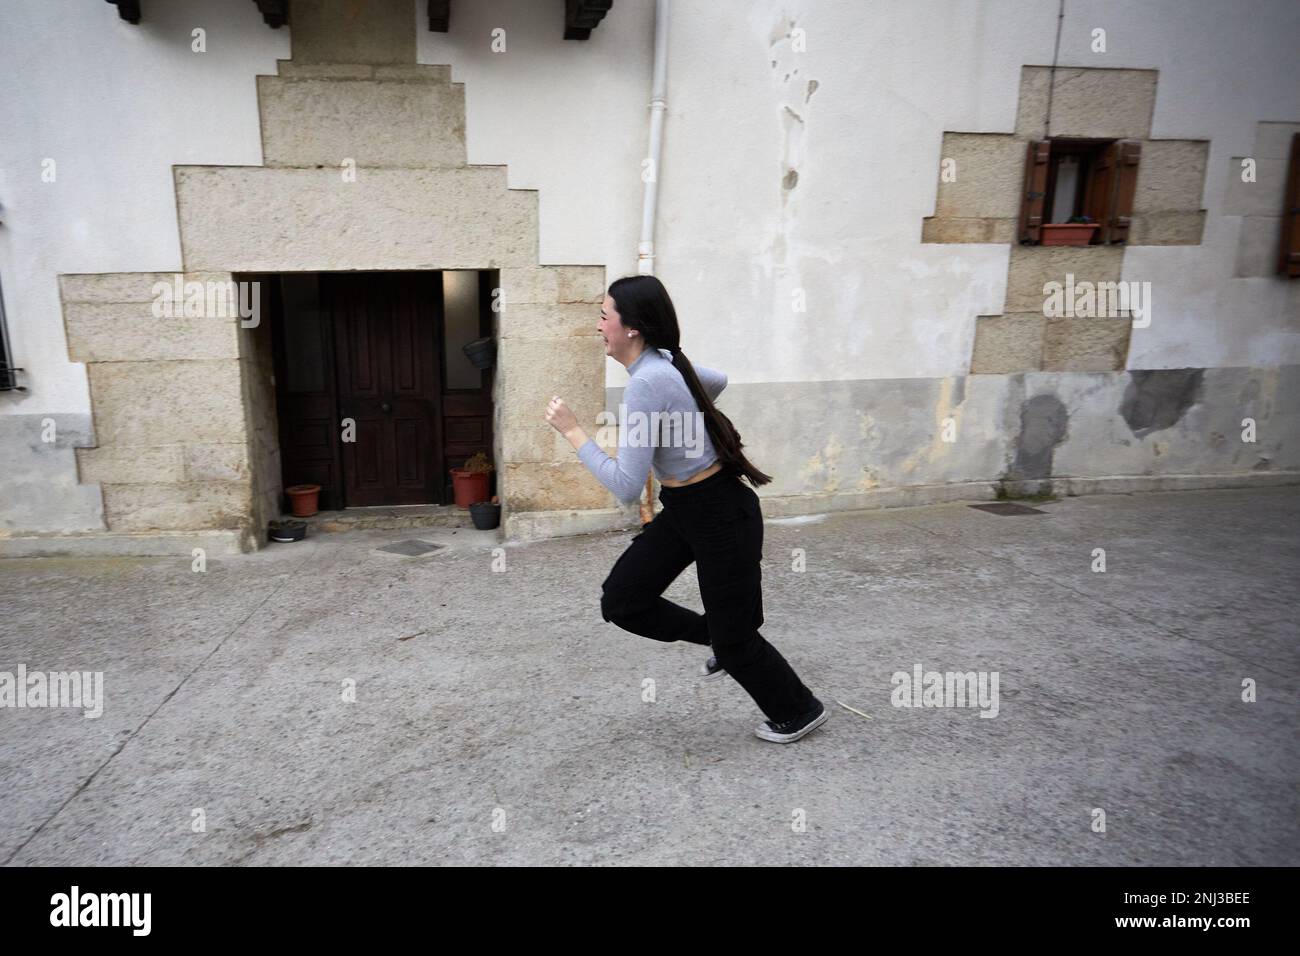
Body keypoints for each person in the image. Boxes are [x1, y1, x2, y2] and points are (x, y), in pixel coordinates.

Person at [543, 275, 828, 743]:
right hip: (684, 508)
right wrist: (679, 424)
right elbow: (715, 381)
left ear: (631, 327)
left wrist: (573, 431)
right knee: (623, 600)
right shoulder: (664, 365)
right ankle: (717, 637)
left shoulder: (647, 384)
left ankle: (798, 710)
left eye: (603, 316)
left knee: (738, 645)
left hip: (720, 512)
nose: (598, 326)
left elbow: (625, 487)